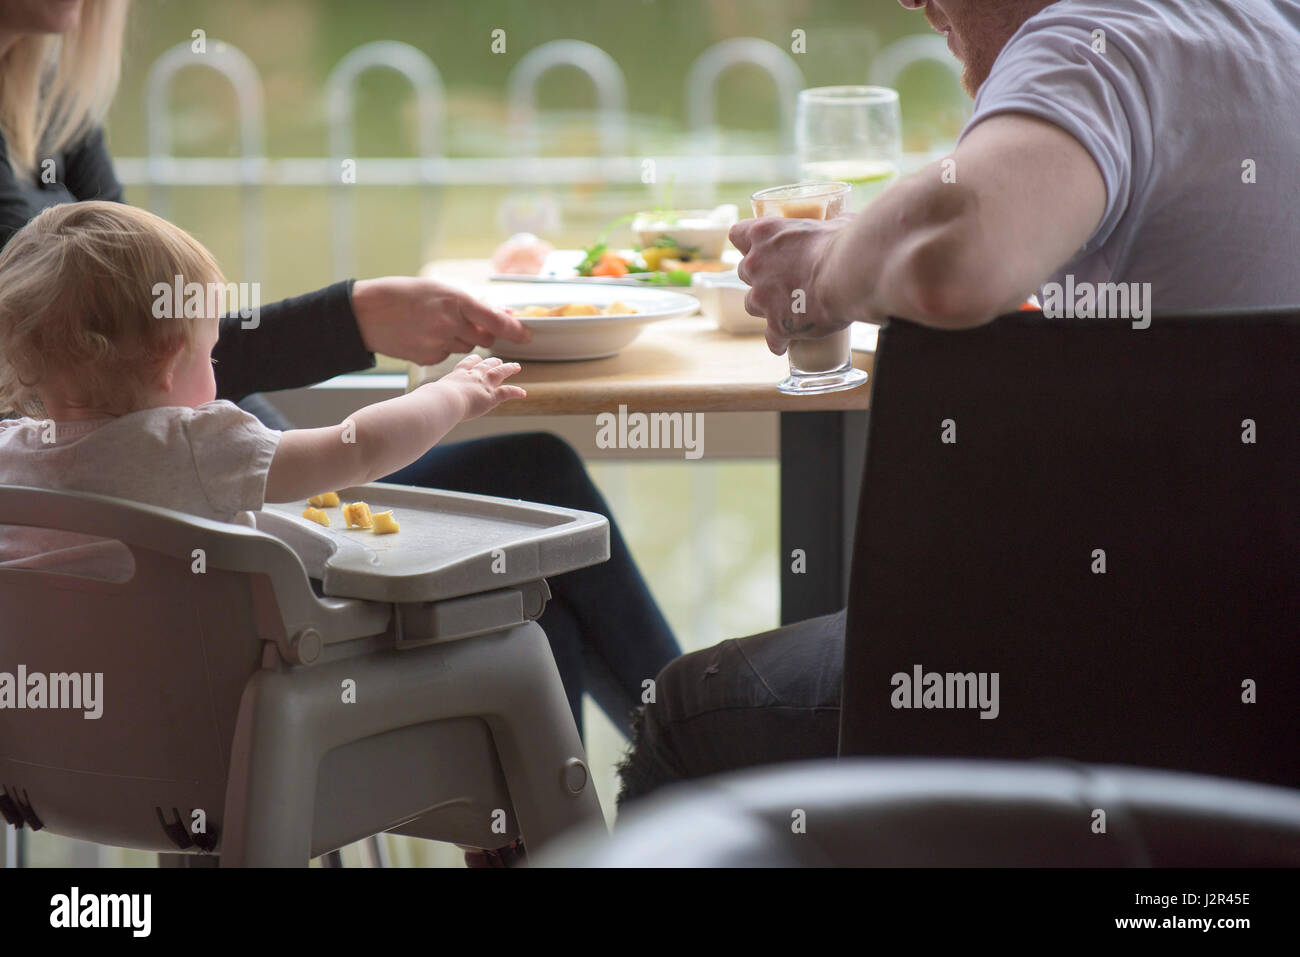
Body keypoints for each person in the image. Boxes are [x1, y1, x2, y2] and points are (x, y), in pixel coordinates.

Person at [618, 0, 1300, 803]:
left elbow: (955, 254)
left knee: (682, 713)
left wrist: (820, 270)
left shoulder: (1095, 43)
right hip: (1271, 696)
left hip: (1111, 684)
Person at [0, 0, 680, 750]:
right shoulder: (206, 447)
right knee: (525, 557)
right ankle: (676, 777)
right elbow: (345, 441)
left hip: (98, 729)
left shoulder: (20, 451)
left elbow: (148, 332)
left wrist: (350, 319)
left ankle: (628, 792)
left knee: (527, 532)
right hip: (266, 682)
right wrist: (430, 377)